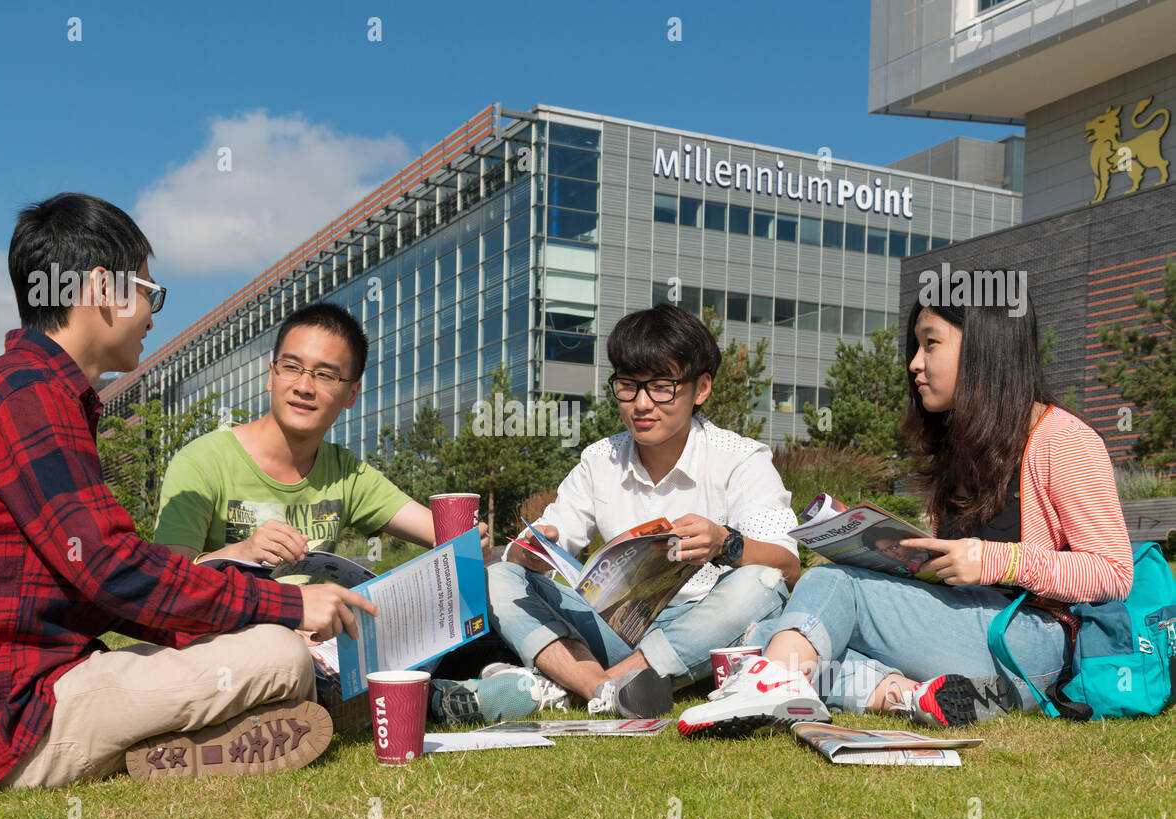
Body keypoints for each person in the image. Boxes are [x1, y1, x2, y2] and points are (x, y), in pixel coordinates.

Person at [0, 193, 379, 791]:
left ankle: (186, 742)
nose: (154, 315)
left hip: (6, 701)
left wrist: (224, 593)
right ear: (103, 289)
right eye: (149, 294)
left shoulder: (22, 390)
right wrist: (289, 605)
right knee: (280, 656)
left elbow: (103, 579)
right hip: (13, 724)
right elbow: (112, 572)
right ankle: (191, 744)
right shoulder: (27, 397)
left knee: (258, 643)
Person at [679, 292, 1133, 736]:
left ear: (983, 347)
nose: (915, 363)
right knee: (779, 626)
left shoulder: (1065, 440)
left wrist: (997, 559)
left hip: (1032, 639)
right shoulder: (964, 444)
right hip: (965, 628)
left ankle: (769, 685)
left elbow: (1113, 573)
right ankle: (908, 695)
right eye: (916, 346)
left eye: (930, 343)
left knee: (828, 587)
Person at [448, 304, 801, 723]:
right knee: (501, 574)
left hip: (705, 626)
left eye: (661, 387)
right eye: (628, 386)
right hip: (618, 626)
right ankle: (602, 690)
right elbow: (553, 537)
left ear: (701, 388)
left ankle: (582, 685)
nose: (641, 404)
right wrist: (530, 552)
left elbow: (789, 567)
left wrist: (726, 543)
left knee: (760, 583)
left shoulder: (740, 459)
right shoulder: (601, 459)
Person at [154, 303, 494, 719]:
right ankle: (432, 700)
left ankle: (402, 696)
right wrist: (241, 552)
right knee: (280, 652)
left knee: (464, 601)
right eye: (292, 368)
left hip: (325, 645)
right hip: (241, 640)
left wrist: (470, 537)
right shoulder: (202, 462)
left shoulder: (345, 472)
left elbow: (440, 532)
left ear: (351, 393)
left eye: (326, 375)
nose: (304, 386)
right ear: (271, 374)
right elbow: (166, 583)